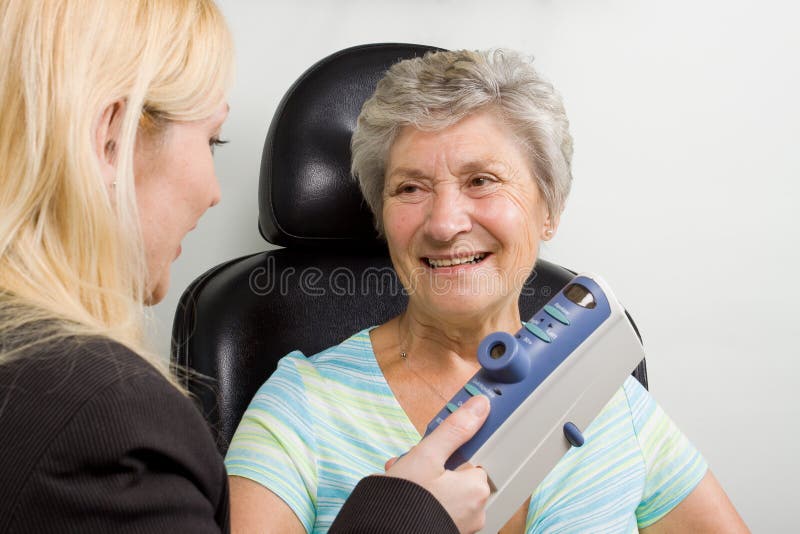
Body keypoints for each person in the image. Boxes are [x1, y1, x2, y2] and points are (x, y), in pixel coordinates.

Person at [0, 2, 493, 532]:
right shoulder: (109, 425)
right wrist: (410, 517)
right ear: (110, 139)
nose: (215, 192)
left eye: (483, 181)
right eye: (211, 140)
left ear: (551, 208)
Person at [225, 49, 750, 533]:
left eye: (482, 180)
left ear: (549, 210)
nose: (445, 223)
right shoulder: (300, 410)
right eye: (410, 187)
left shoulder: (615, 399)